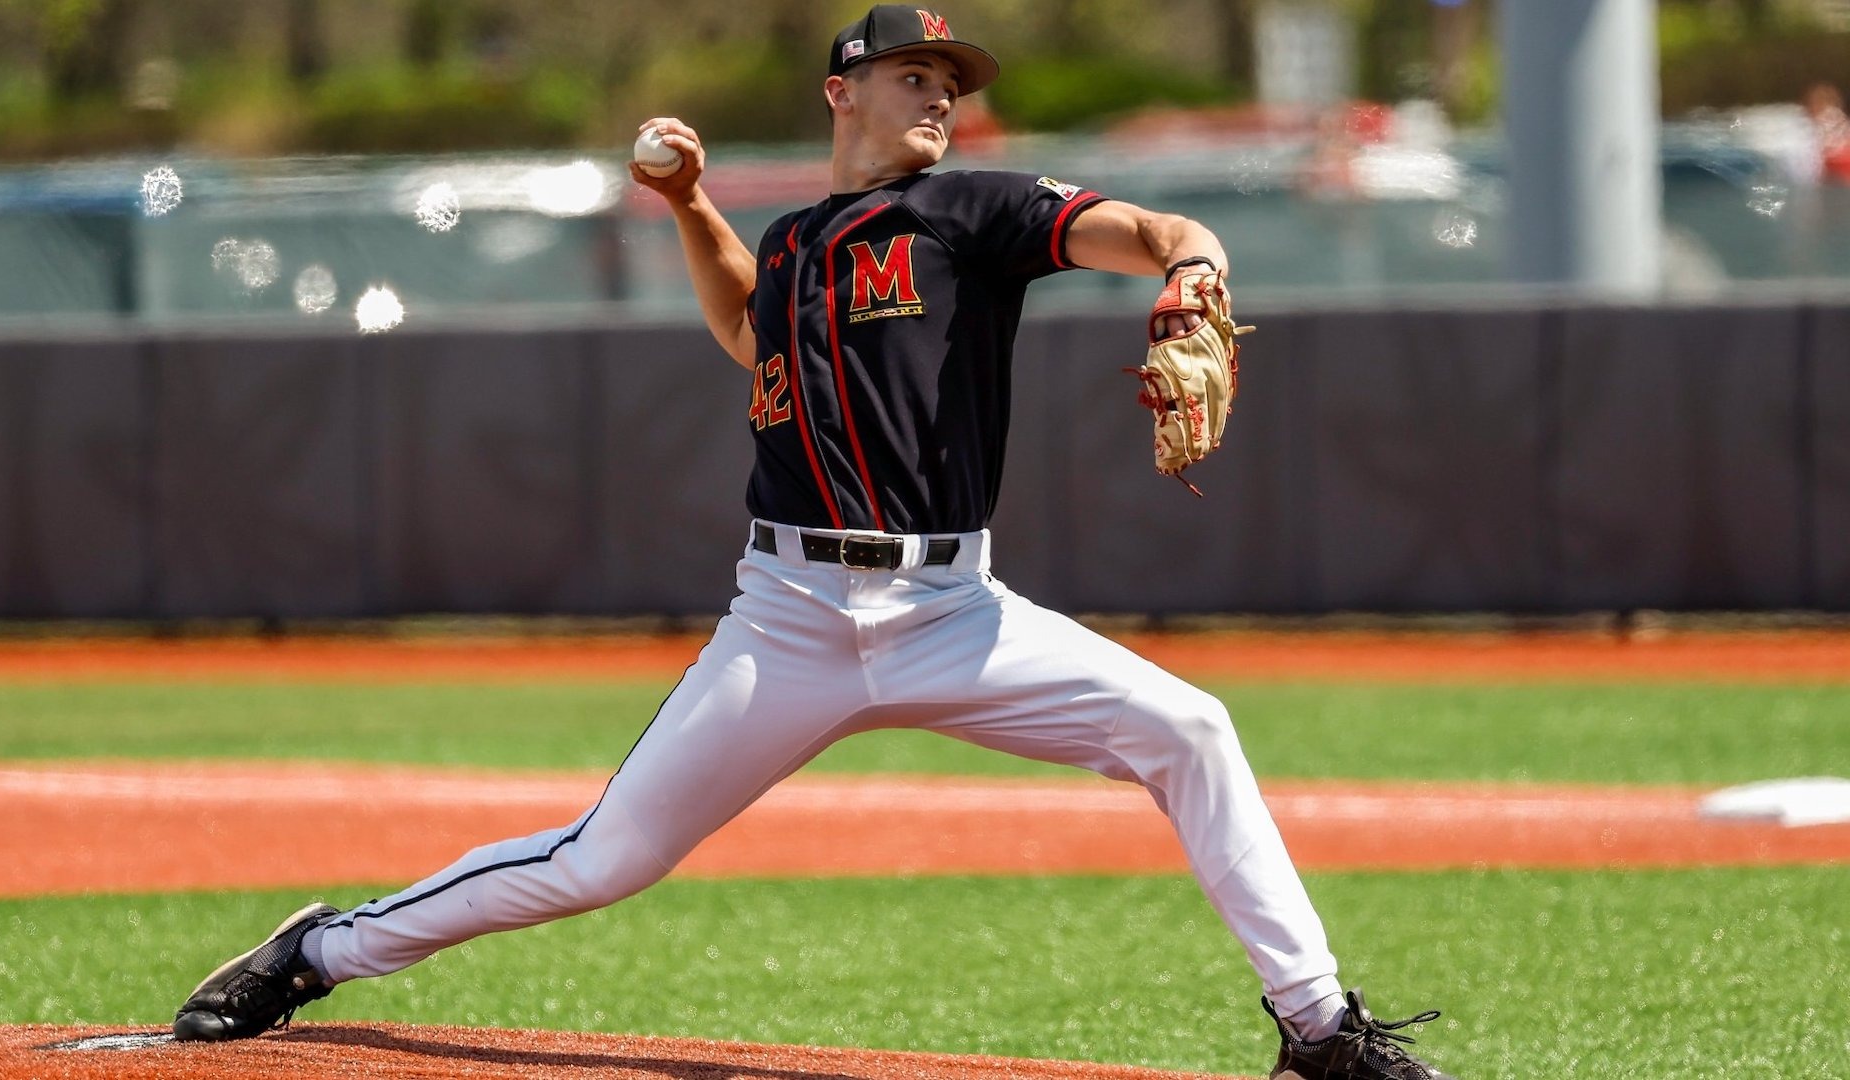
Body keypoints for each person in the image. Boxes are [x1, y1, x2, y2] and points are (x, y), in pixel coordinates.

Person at [170, 7, 1454, 1078]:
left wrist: (1193, 280)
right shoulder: (794, 243)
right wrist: (687, 202)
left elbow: (1165, 234)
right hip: (786, 614)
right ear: (844, 89)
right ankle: (318, 953)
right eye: (914, 76)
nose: (940, 97)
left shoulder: (975, 212)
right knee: (605, 857)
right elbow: (749, 330)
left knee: (1191, 728)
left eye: (950, 81)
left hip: (957, 613)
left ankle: (1321, 1027)